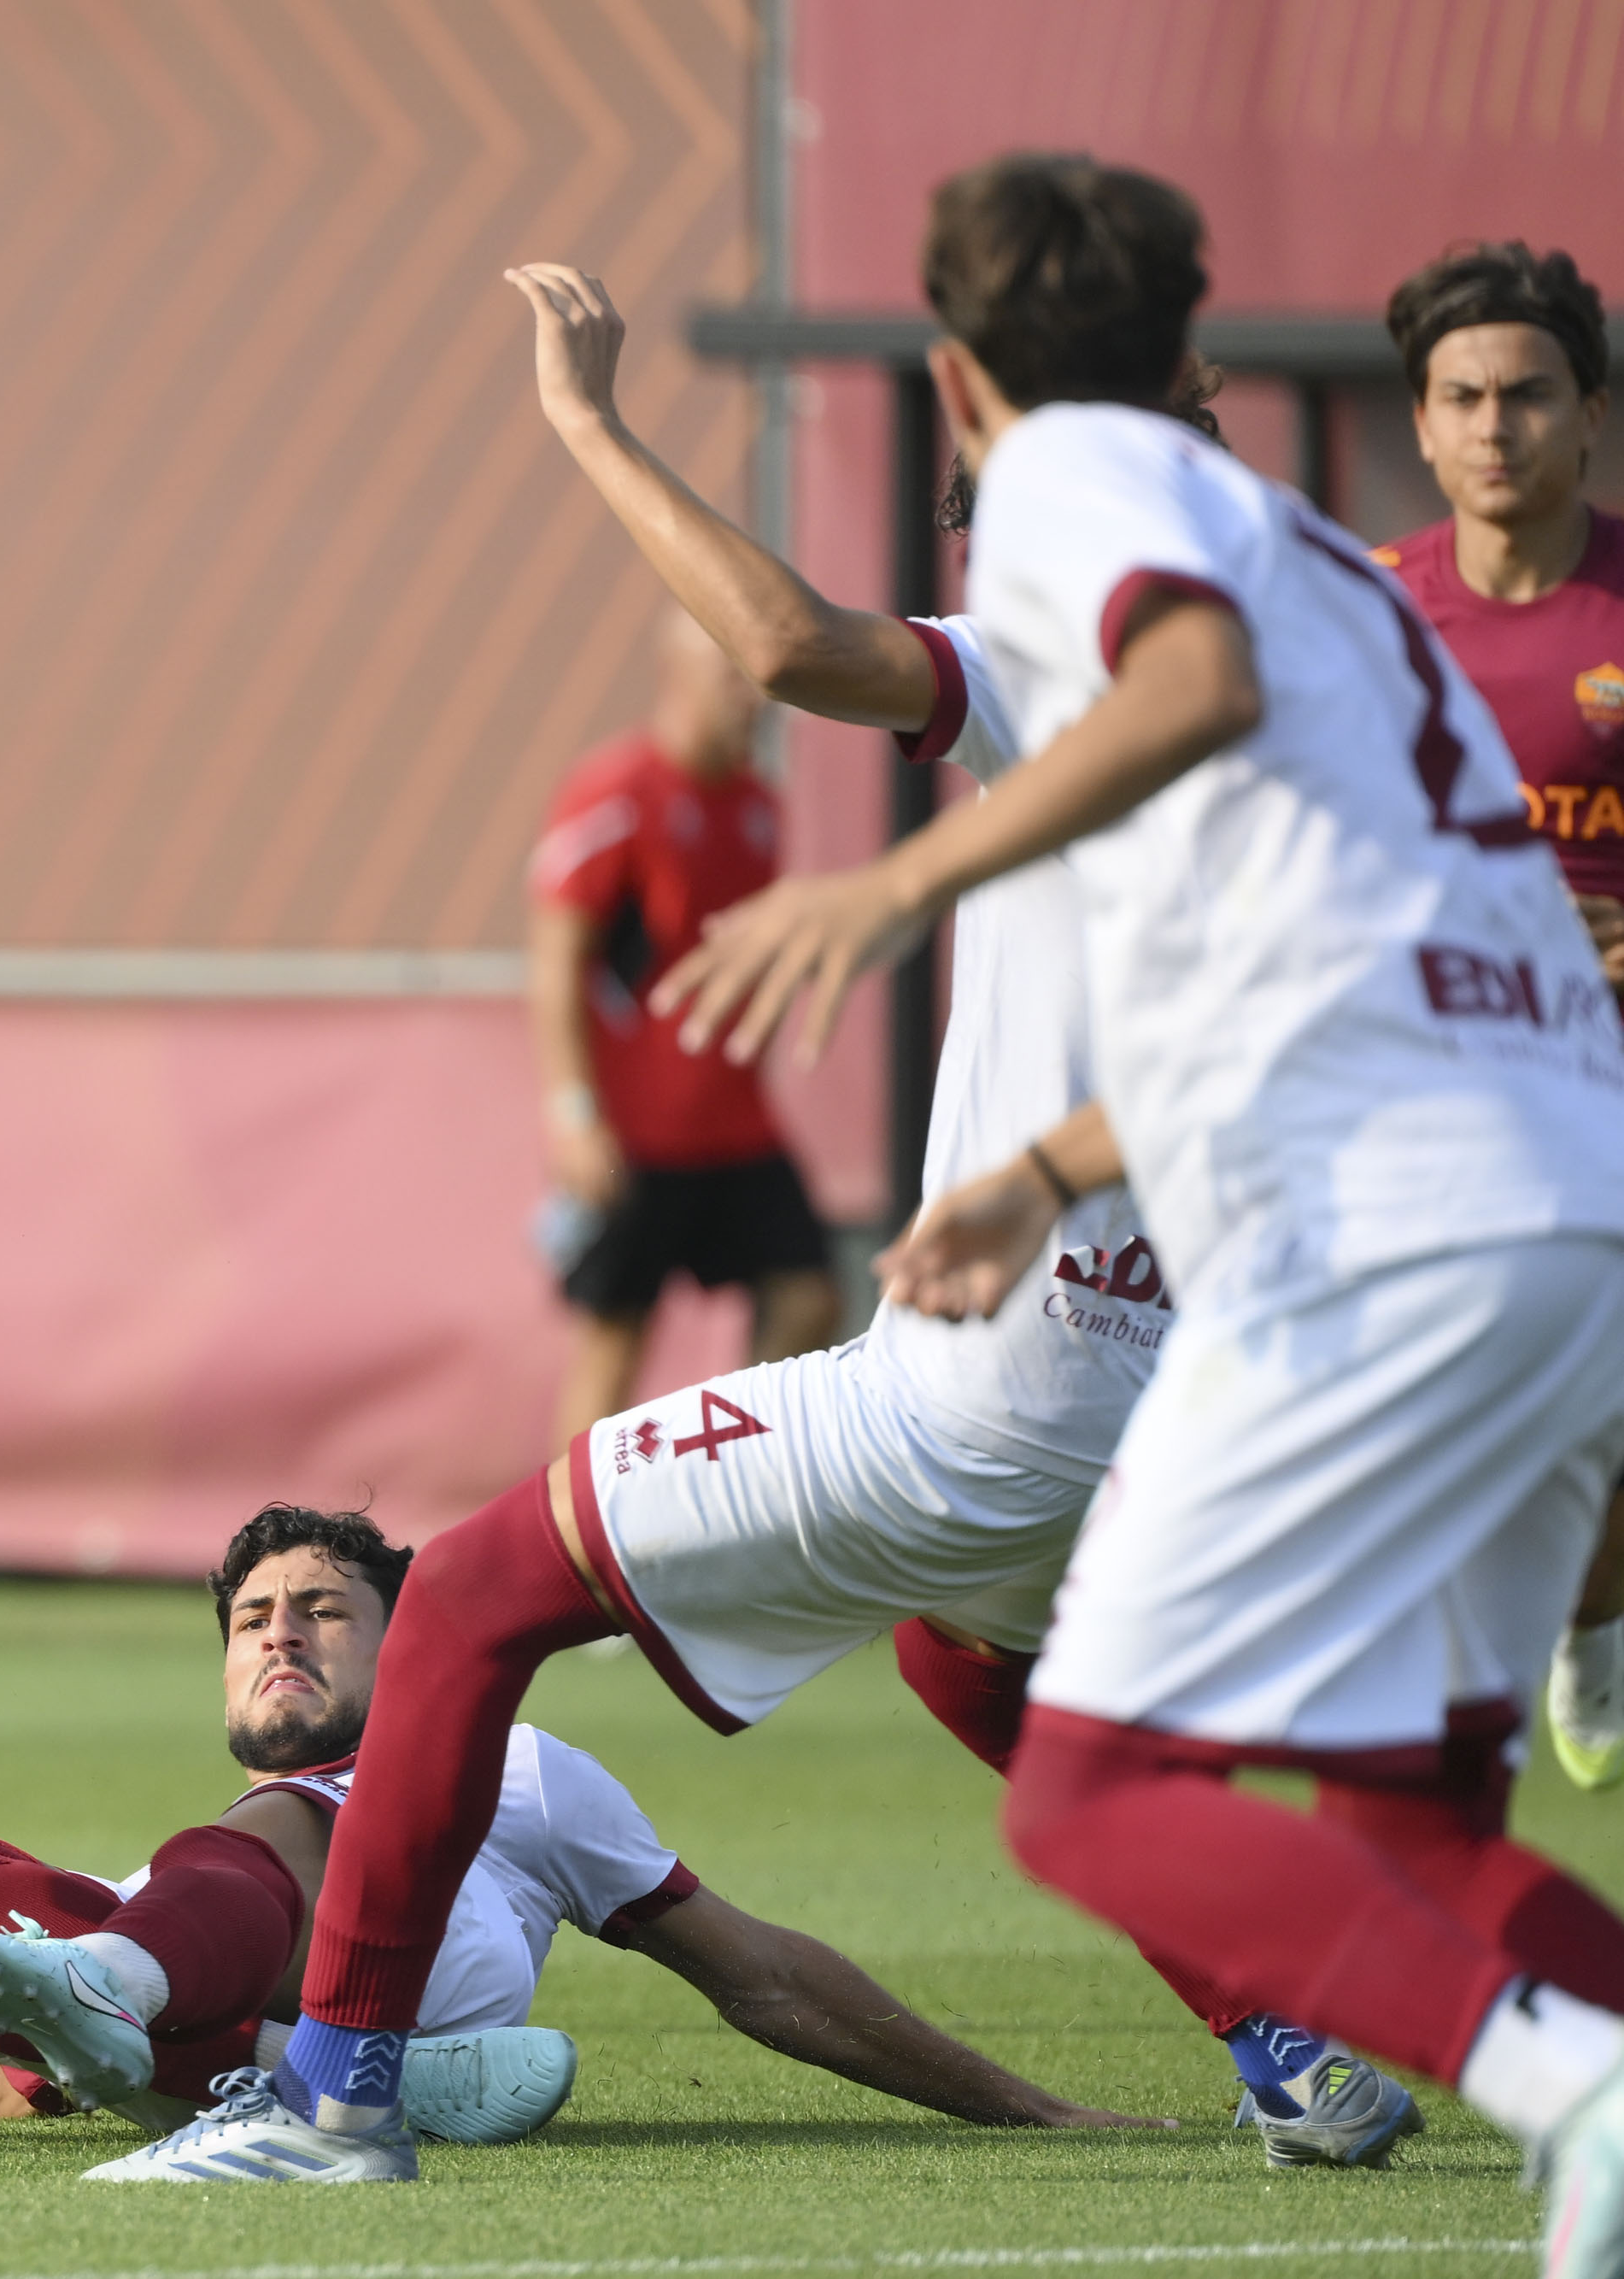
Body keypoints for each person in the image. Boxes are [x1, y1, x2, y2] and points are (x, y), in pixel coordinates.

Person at [110, 257, 1393, 2188]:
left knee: (459, 1595)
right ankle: (1286, 2044)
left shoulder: (1082, 655)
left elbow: (794, 643)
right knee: (966, 1663)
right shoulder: (1311, 696)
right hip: (1155, 1396)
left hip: (989, 1392)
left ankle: (331, 2097)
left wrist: (586, 421)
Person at [621, 156, 1624, 2271]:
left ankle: (1568, 2081)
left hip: (1420, 1241)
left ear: (968, 383)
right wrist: (1050, 1164)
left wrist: (891, 884)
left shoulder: (1094, 492)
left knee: (1093, 1801)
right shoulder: (1363, 590)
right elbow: (1289, 965)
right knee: (1406, 1838)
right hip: (1566, 1206)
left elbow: (1164, 699)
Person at [0, 1504, 1157, 2171]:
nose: (280, 1634)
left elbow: (758, 1974)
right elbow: (7, 2074)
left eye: (324, 1609)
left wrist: (1026, 2105)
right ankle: (265, 2049)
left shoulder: (521, 1765)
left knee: (248, 1848)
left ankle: (189, 2012)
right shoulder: (195, 1849)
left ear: (406, 1649)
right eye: (254, 1616)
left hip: (215, 1943)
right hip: (176, 1986)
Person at [1365, 242, 1624, 1792]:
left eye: (1529, 392)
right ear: (1420, 422)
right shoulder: (1366, 615)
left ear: (1589, 413)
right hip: (1431, 1082)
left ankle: (1592, 1608)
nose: (1495, 424)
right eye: (1463, 395)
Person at [528, 614, 840, 1448]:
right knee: (615, 1336)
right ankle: (573, 1558)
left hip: (734, 1124)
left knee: (809, 1294)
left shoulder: (758, 808)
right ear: (677, 674)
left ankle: (722, 1479)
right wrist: (572, 1112)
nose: (754, 698)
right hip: (638, 1134)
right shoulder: (617, 791)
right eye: (731, 676)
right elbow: (557, 958)